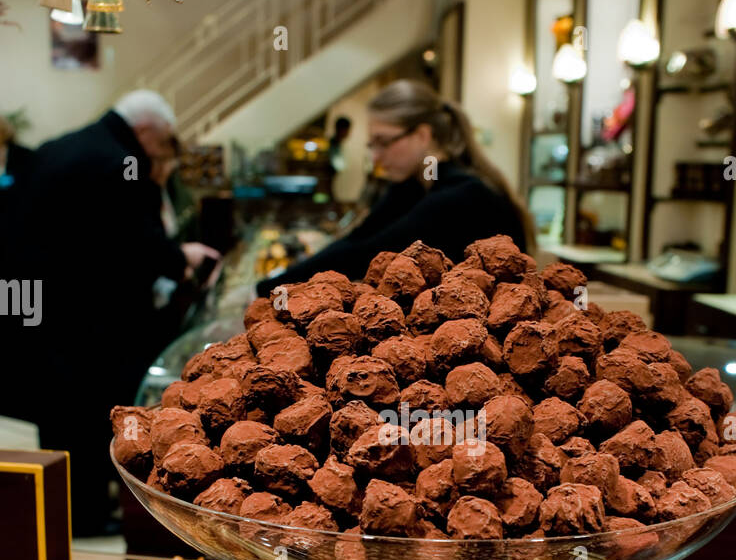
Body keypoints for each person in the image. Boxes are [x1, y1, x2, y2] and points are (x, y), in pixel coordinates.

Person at [1, 90, 219, 533]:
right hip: (92, 322)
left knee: (62, 420)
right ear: (145, 130)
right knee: (94, 414)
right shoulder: (120, 160)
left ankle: (68, 513)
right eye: (163, 139)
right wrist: (180, 260)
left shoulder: (59, 147)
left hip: (42, 312)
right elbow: (137, 243)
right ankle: (90, 515)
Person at [260, 80, 534, 289]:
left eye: (384, 142)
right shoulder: (415, 186)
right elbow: (357, 239)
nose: (376, 157)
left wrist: (268, 289)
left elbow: (364, 256)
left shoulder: (462, 196)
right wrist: (269, 288)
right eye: (372, 145)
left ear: (422, 135)